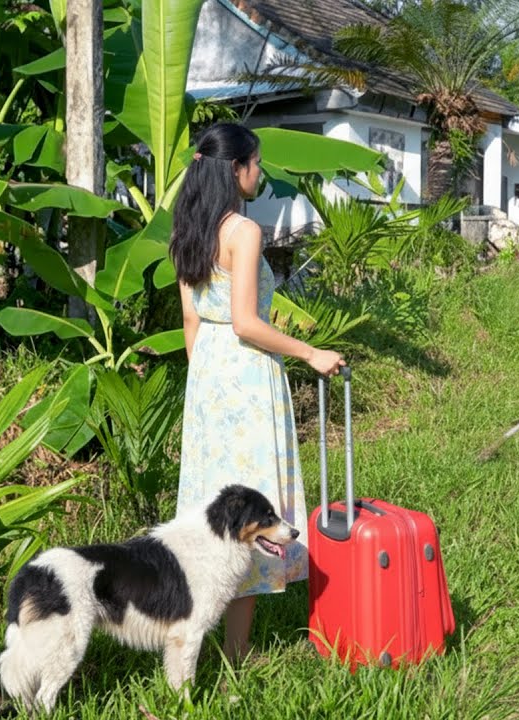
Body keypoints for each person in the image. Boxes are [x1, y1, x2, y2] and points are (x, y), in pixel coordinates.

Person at [169, 122, 346, 662]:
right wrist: (310, 352)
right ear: (236, 169)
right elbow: (247, 322)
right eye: (256, 163)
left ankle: (198, 636)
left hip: (208, 378)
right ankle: (237, 653)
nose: (260, 172)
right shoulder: (242, 233)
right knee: (249, 503)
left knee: (215, 509)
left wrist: (206, 388)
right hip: (245, 373)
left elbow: (191, 320)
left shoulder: (188, 230)